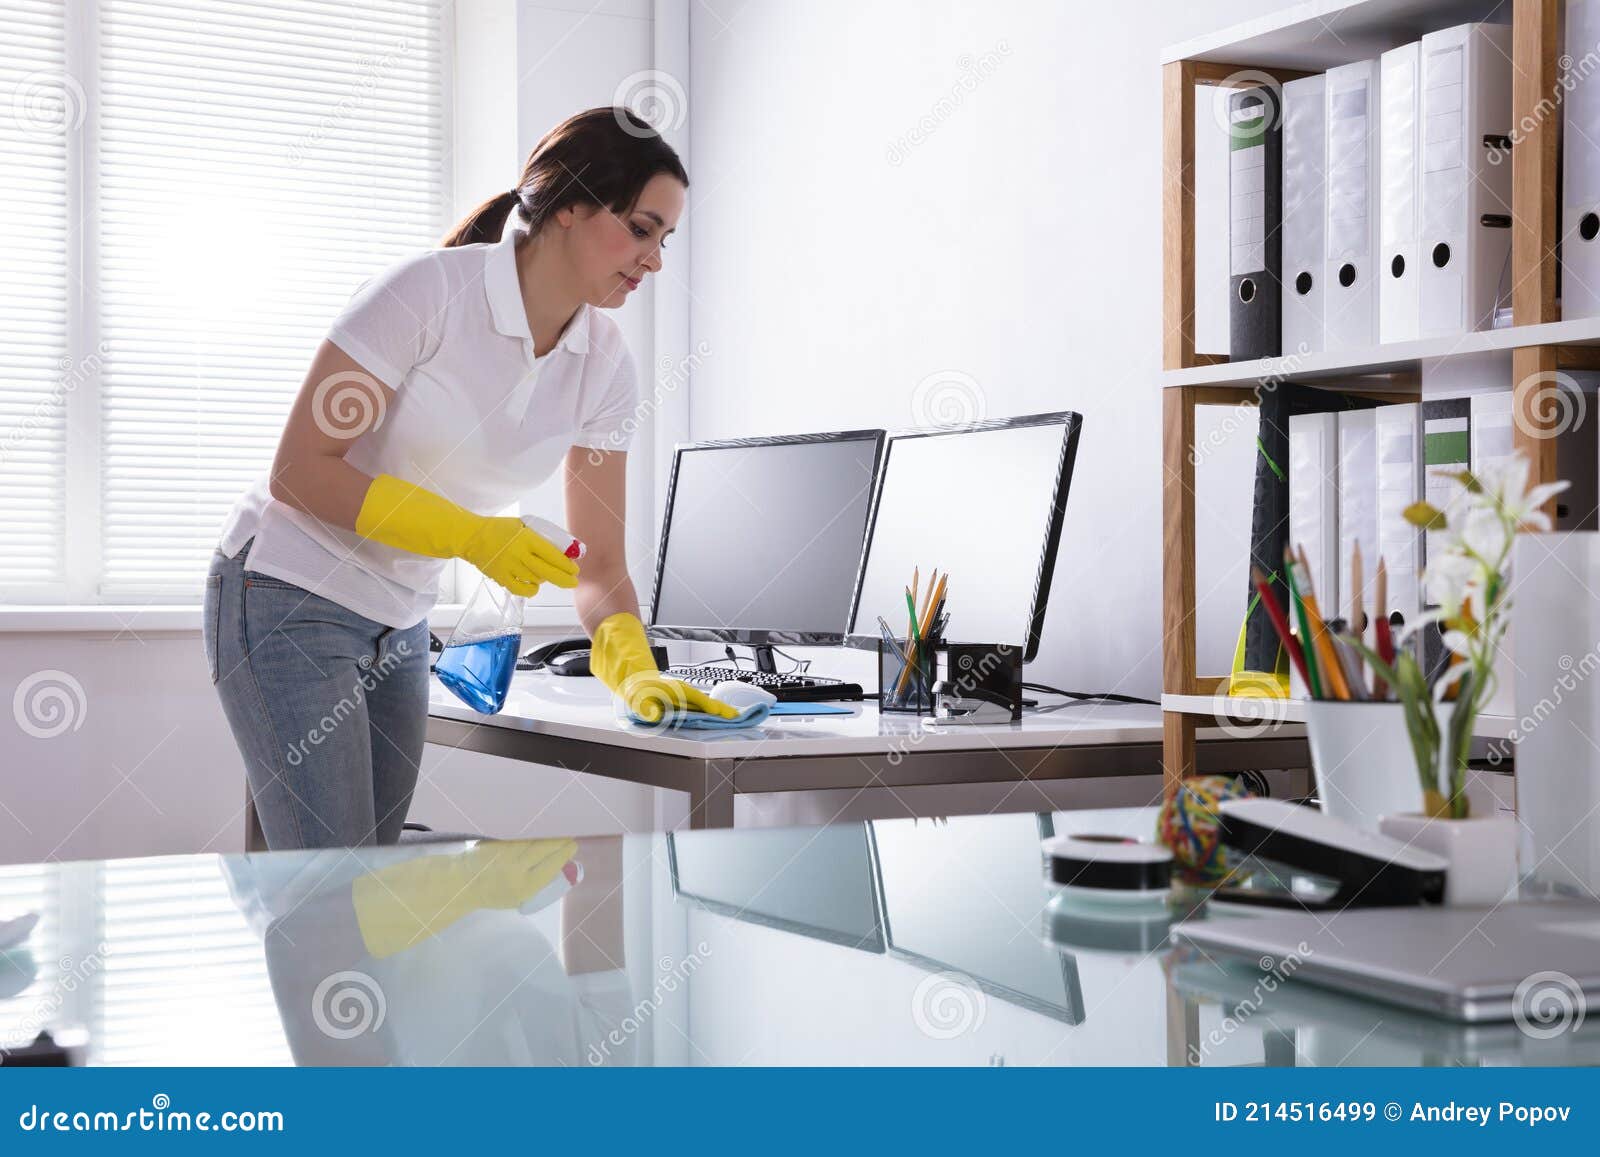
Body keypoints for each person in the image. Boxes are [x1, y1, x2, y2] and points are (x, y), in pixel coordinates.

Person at [203, 107, 735, 851]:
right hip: (288, 590)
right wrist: (469, 535)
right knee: (331, 884)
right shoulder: (424, 292)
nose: (654, 259)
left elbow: (602, 562)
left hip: (401, 614)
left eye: (665, 239)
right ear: (572, 204)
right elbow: (299, 470)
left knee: (362, 880)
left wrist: (634, 668)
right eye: (642, 228)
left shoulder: (606, 363)